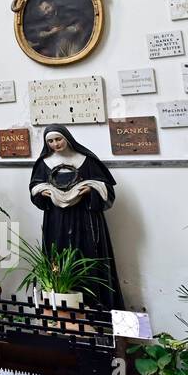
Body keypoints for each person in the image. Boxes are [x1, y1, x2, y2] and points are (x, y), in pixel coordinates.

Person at [28, 125, 124, 309]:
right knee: (58, 260)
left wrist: (92, 189)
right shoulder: (44, 163)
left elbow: (107, 188)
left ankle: (96, 309)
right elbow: (34, 189)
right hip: (57, 222)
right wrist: (42, 193)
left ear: (67, 138)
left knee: (89, 259)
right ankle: (62, 310)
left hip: (85, 220)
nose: (55, 144)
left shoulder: (87, 160)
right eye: (51, 141)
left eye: (58, 139)